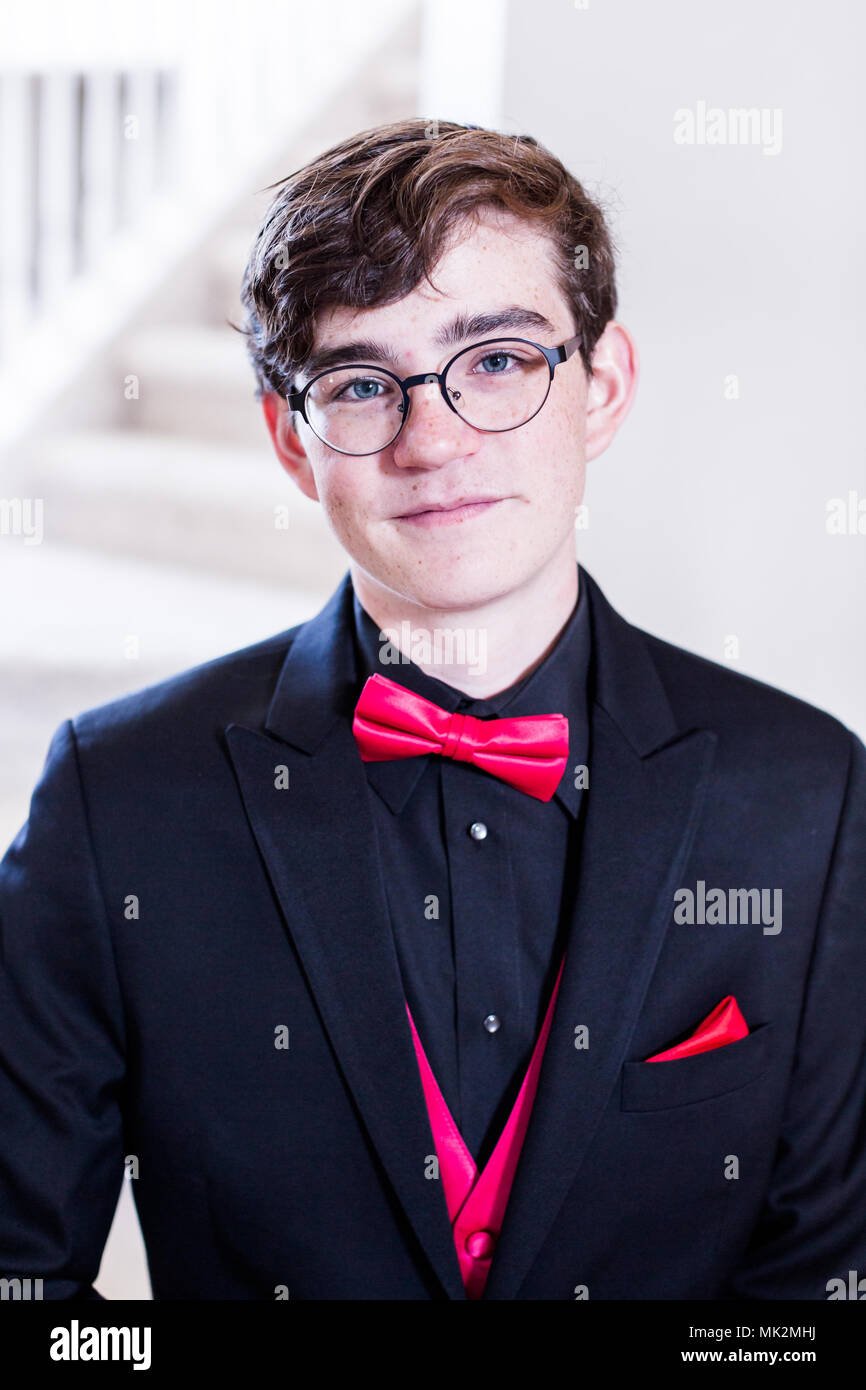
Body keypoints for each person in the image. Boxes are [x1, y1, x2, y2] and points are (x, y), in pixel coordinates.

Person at [1, 118, 864, 1302]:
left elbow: (820, 1294)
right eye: (362, 384)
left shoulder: (807, 795)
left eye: (497, 360)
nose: (435, 439)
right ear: (290, 441)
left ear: (600, 386)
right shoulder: (115, 798)